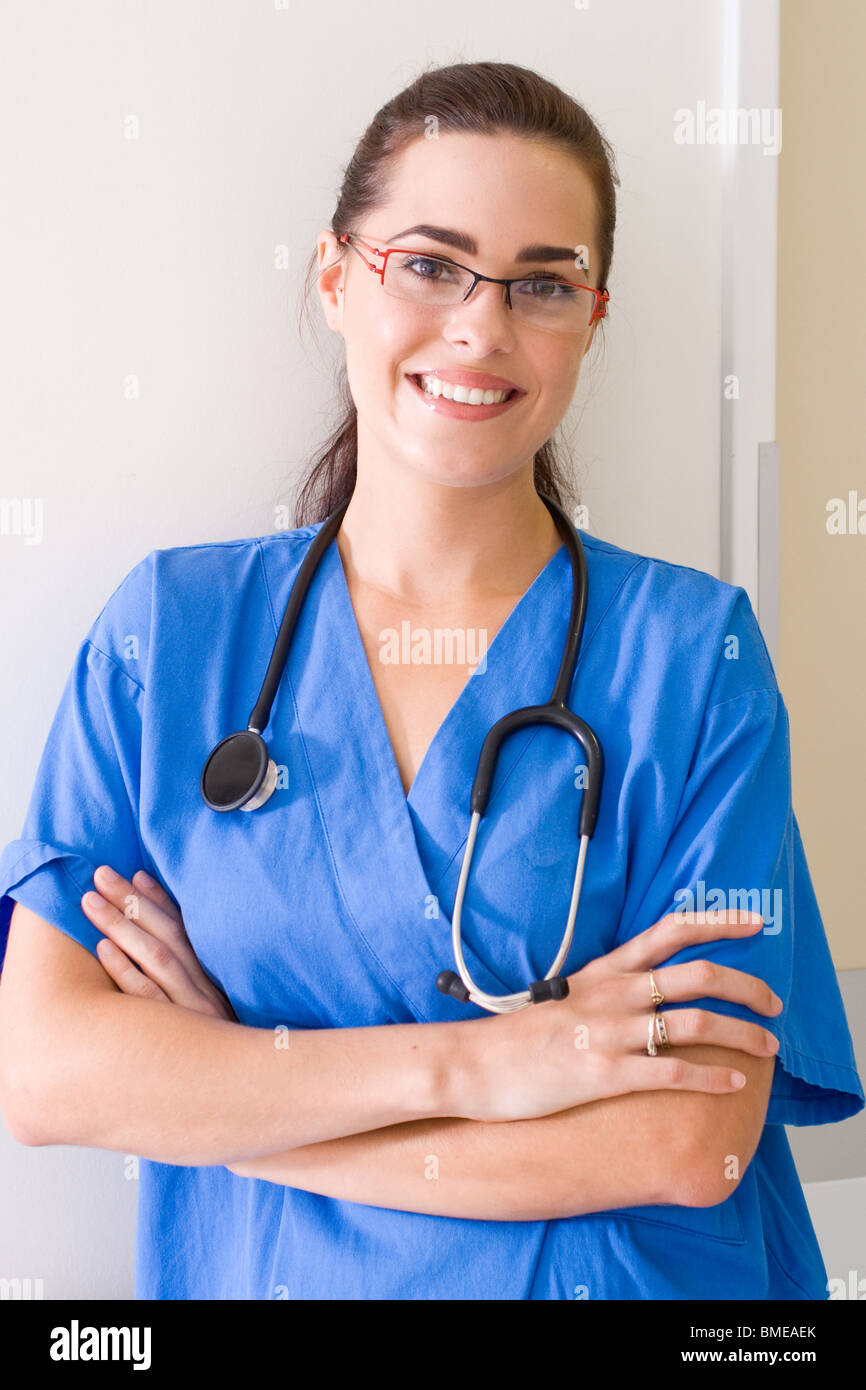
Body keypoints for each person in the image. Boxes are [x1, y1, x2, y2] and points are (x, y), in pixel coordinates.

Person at [0, 60, 861, 1302]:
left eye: (542, 284)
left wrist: (228, 1085)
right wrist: (489, 1066)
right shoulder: (171, 635)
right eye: (429, 262)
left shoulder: (694, 654)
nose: (480, 325)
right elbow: (49, 1077)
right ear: (339, 275)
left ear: (590, 319)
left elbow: (689, 1140)